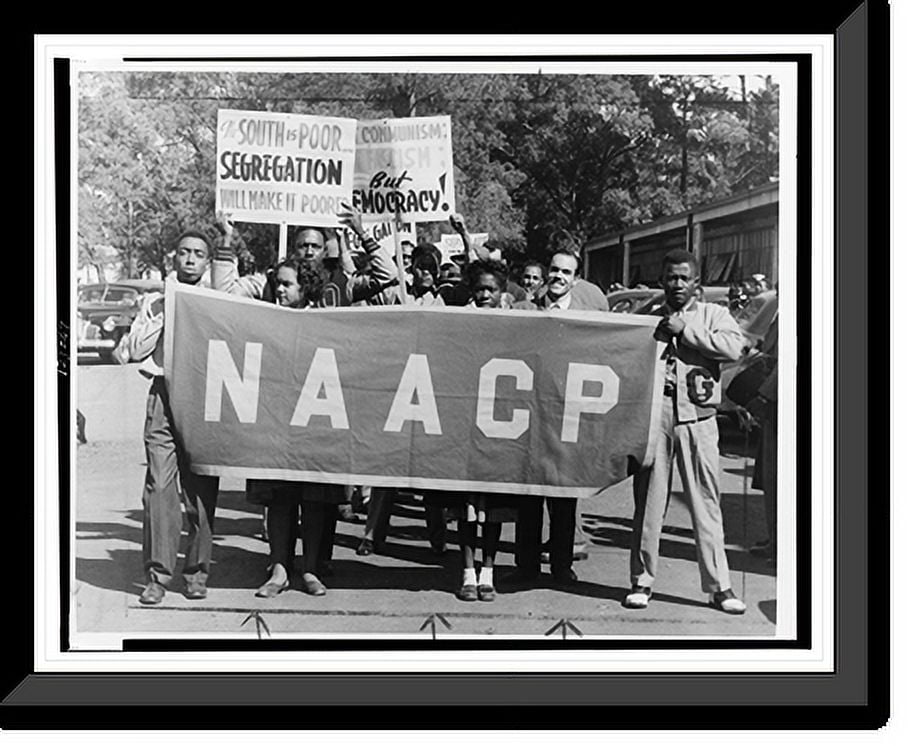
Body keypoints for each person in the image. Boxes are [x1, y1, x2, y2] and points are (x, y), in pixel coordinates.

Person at [624, 248, 747, 614]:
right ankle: (642, 580)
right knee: (649, 502)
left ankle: (720, 586)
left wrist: (687, 332)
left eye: (683, 277)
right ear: (661, 281)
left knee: (706, 502)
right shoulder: (648, 316)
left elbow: (734, 347)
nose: (677, 284)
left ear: (696, 282)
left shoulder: (714, 314)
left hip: (699, 417)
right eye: (671, 277)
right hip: (656, 414)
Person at [112, 230, 220, 605]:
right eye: (185, 252)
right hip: (164, 393)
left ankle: (197, 573)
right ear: (174, 257)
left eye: (199, 254)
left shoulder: (216, 299)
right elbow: (134, 350)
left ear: (208, 262)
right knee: (159, 486)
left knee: (201, 487)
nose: (190, 259)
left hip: (203, 396)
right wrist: (166, 310)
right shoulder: (155, 301)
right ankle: (157, 576)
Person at [509, 250, 602, 586]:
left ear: (576, 280)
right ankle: (526, 566)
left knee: (564, 496)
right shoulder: (522, 311)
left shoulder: (587, 318)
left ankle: (562, 565)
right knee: (528, 496)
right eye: (554, 269)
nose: (558, 276)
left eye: (566, 272)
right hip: (529, 414)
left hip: (566, 416)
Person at [745, 309, 779, 564]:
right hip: (775, 402)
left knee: (783, 480)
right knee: (772, 478)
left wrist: (764, 395)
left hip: (781, 400)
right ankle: (776, 540)